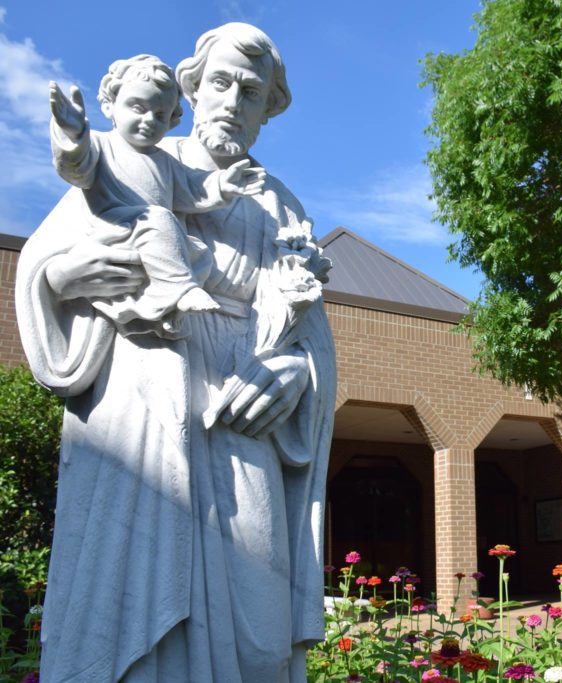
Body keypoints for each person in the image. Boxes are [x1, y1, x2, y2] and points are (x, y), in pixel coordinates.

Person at [16, 23, 335, 682]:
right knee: (141, 626)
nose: (230, 100)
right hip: (145, 411)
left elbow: (312, 336)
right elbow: (44, 266)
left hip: (242, 422)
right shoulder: (142, 160)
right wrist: (64, 279)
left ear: (267, 109)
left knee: (261, 636)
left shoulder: (281, 204)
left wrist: (296, 375)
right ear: (192, 87)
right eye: (219, 82)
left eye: (250, 91)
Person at [49, 54, 267, 334]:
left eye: (160, 115)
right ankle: (180, 290)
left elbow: (194, 187)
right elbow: (76, 169)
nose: (149, 120)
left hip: (155, 240)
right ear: (108, 106)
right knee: (161, 219)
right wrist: (73, 137)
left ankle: (163, 310)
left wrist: (222, 185)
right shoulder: (101, 145)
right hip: (117, 233)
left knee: (193, 251)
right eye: (138, 108)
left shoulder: (165, 161)